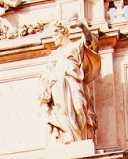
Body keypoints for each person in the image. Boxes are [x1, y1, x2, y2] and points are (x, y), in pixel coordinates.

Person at [39, 16, 100, 144]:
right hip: (57, 85)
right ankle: (70, 138)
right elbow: (46, 74)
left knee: (79, 107)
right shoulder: (54, 55)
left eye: (55, 35)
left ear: (62, 33)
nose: (53, 39)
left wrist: (82, 26)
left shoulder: (75, 46)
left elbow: (90, 42)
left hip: (72, 82)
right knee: (62, 112)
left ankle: (82, 138)